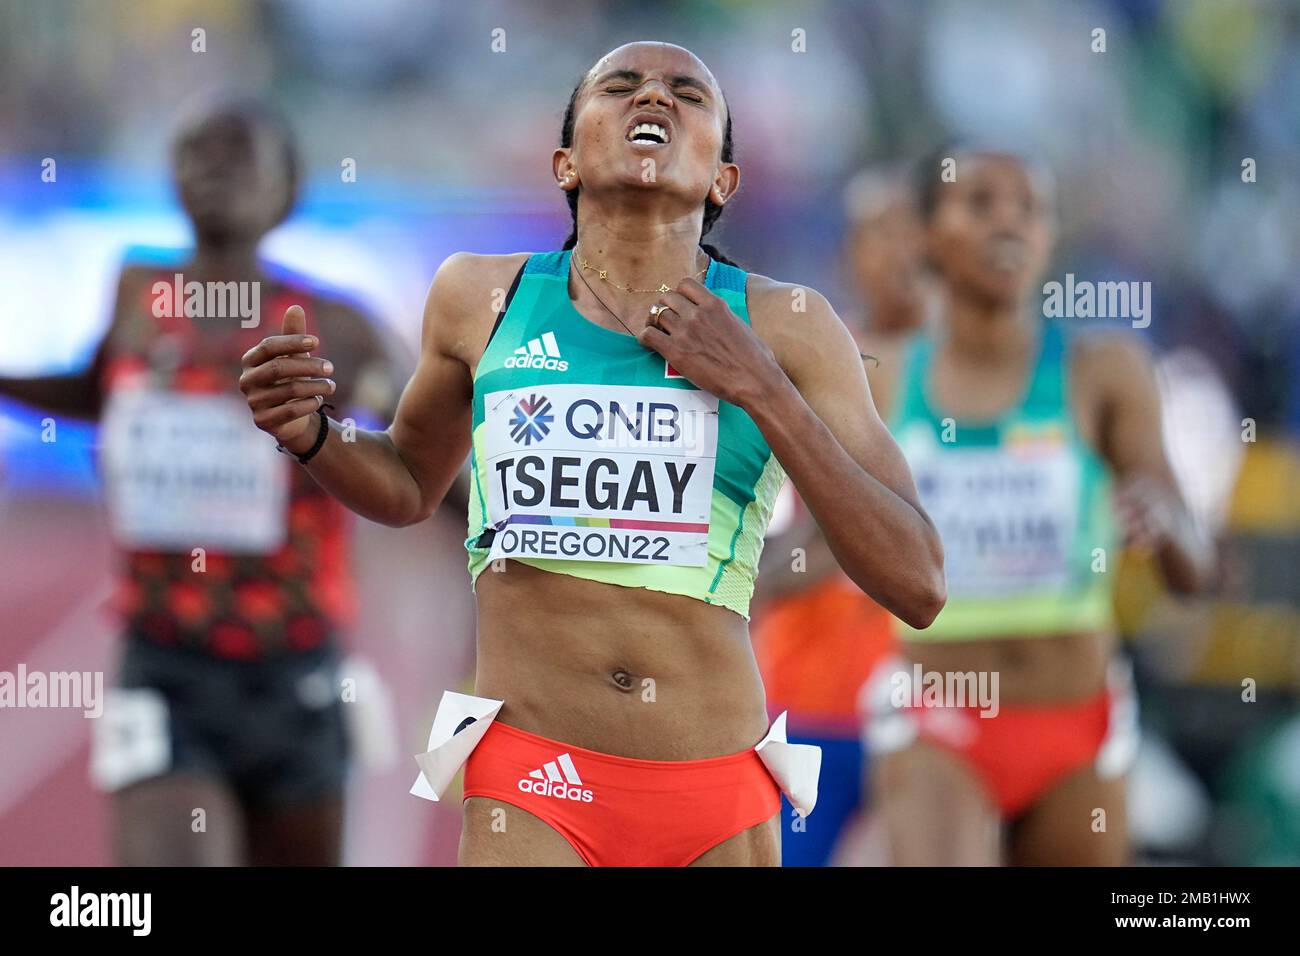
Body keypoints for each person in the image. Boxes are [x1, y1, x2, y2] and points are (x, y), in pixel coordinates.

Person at [239, 42, 945, 867]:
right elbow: (405, 481)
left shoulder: (790, 324)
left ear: (724, 178)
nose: (655, 97)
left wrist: (764, 390)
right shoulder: (479, 298)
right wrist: (319, 437)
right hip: (531, 776)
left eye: (688, 93)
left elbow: (918, 581)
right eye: (622, 86)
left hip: (714, 786)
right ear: (566, 161)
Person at [0, 99, 399, 865]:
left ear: (288, 188)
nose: (212, 164)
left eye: (238, 150)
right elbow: (93, 392)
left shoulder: (338, 327)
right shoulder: (139, 292)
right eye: (193, 149)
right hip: (163, 662)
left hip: (298, 670)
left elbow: (427, 453)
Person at [860, 145, 1214, 865]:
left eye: (1030, 209)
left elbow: (1194, 570)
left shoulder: (1102, 371)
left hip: (1077, 725)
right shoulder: (883, 376)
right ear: (927, 230)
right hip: (940, 716)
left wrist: (1162, 520)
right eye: (981, 203)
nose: (1010, 224)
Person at [752, 169, 929, 866]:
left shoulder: (989, 377)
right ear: (849, 252)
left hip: (938, 700)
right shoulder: (821, 359)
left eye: (913, 232)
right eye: (877, 234)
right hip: (810, 693)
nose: (899, 253)